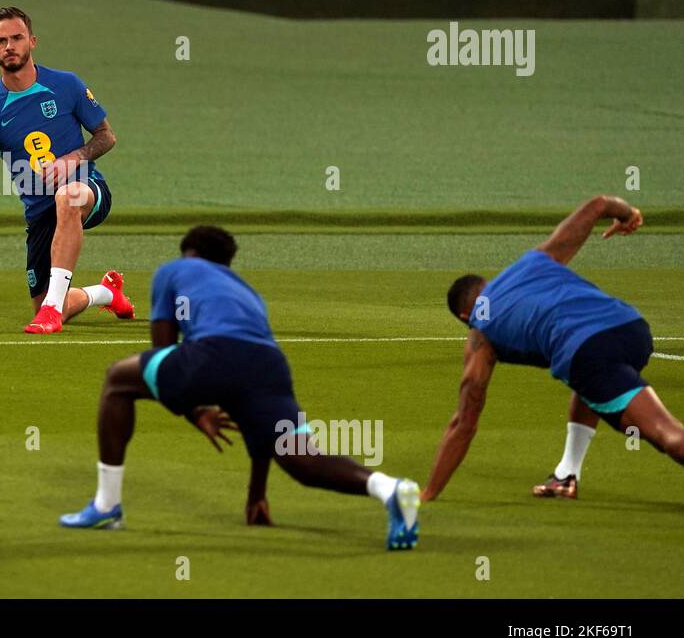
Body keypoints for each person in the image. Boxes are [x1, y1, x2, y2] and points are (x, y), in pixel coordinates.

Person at [59, 225, 422, 550]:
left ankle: (107, 506)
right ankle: (388, 488)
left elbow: (163, 353)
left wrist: (195, 410)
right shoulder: (247, 291)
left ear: (189, 252)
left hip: (214, 353)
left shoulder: (174, 271)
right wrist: (256, 493)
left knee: (118, 380)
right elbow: (253, 416)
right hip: (270, 365)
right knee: (303, 460)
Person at [427, 194, 683, 502]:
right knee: (604, 400)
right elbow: (599, 204)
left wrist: (429, 492)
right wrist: (628, 215)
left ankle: (570, 475)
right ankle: (566, 475)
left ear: (465, 316)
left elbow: (464, 423)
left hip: (590, 352)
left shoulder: (481, 334)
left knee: (668, 436)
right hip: (632, 329)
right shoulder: (533, 262)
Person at [0, 7, 134, 334]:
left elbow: (106, 136)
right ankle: (104, 293)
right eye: (1, 40)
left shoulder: (66, 84)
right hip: (40, 214)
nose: (10, 45)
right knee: (40, 303)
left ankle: (53, 310)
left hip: (87, 191)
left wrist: (74, 158)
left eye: (17, 37)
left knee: (67, 196)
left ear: (32, 41)